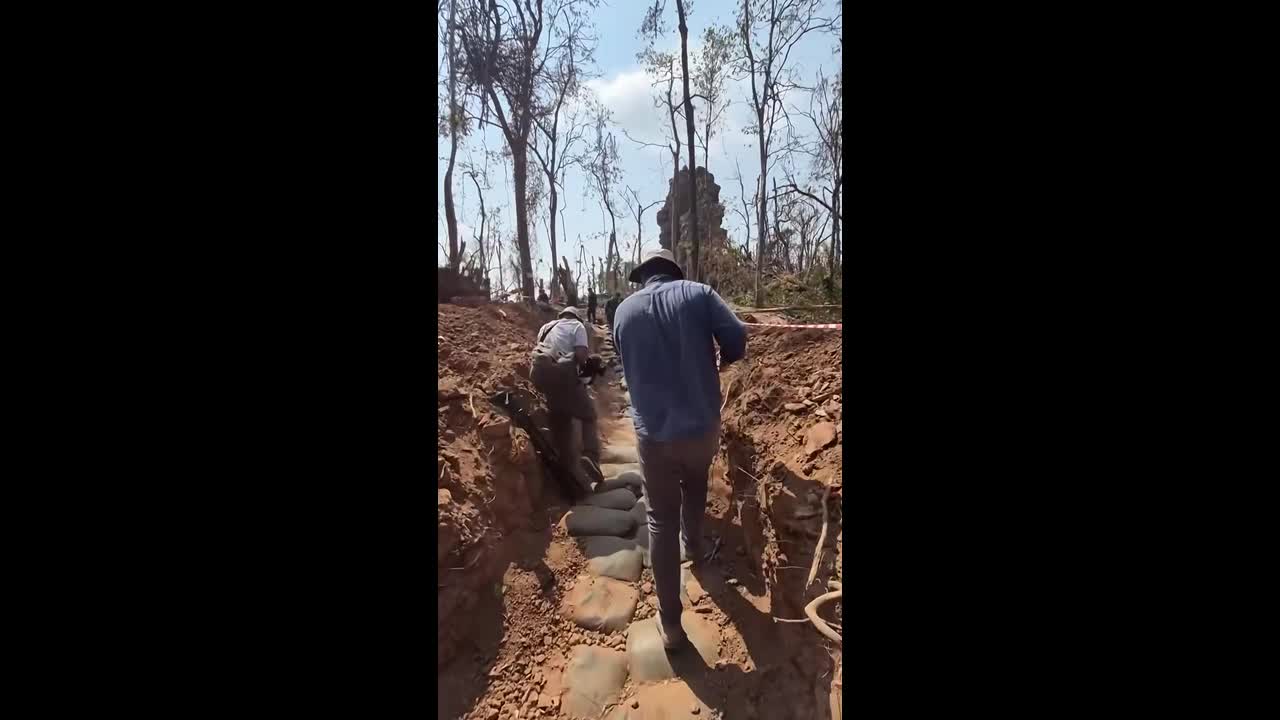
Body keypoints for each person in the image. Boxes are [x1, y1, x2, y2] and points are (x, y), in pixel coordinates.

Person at [612, 249, 747, 650]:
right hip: (702, 425)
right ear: (673, 271)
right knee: (697, 482)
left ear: (643, 276)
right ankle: (697, 547)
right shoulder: (700, 293)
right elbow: (737, 340)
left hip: (654, 435)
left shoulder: (622, 312)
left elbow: (626, 362)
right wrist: (720, 358)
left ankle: (670, 625)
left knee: (659, 521)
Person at [530, 306, 600, 492]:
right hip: (563, 376)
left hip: (541, 377)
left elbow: (545, 353)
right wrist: (589, 366)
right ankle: (590, 457)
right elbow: (580, 355)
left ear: (561, 316)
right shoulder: (578, 326)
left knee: (561, 424)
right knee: (588, 416)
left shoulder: (546, 327)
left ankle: (569, 479)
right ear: (576, 316)